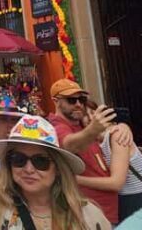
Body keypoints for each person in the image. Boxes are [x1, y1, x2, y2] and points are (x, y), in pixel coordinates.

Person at [0, 114, 111, 229]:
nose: (29, 169)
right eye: (19, 159)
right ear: (8, 164)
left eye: (40, 161)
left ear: (57, 168)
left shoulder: (88, 216)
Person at [47, 78, 132, 224]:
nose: (78, 104)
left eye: (81, 99)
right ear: (56, 101)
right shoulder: (57, 127)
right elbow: (70, 145)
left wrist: (123, 127)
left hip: (108, 214)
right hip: (86, 216)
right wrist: (93, 129)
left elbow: (109, 134)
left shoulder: (82, 124)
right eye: (71, 100)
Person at [82, 100, 142, 221]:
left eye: (93, 112)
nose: (90, 117)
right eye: (84, 114)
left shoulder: (116, 134)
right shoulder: (95, 143)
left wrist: (76, 180)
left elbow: (116, 183)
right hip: (123, 200)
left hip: (135, 198)